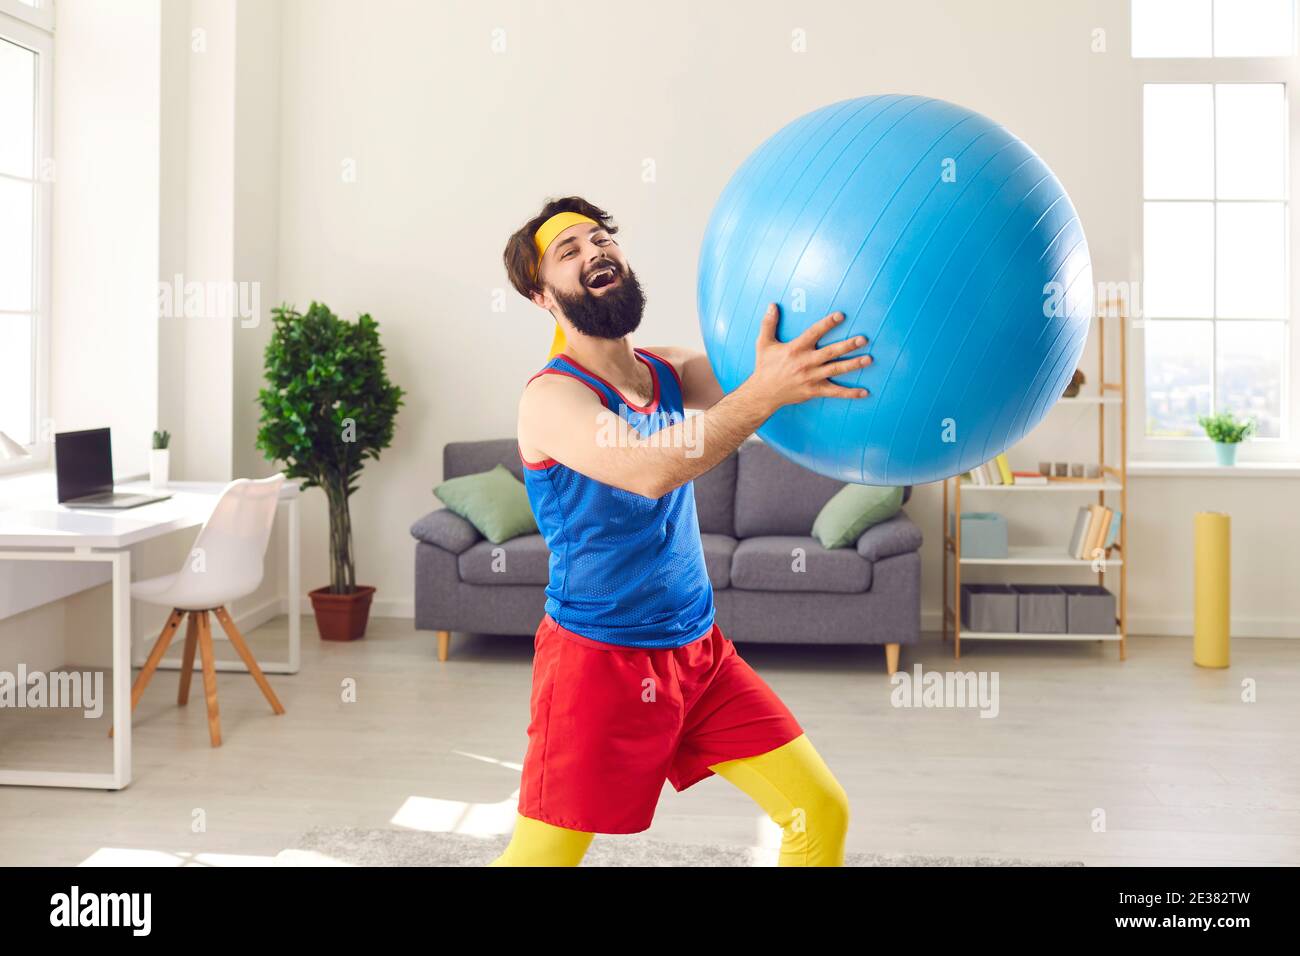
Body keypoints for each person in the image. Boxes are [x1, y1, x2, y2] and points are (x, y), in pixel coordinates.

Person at [491, 196, 873, 866]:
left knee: (820, 810)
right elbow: (653, 469)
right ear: (540, 295)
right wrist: (765, 390)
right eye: (569, 251)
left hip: (700, 655)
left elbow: (779, 374)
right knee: (540, 861)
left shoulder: (666, 372)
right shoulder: (552, 399)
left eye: (600, 238)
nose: (594, 252)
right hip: (596, 666)